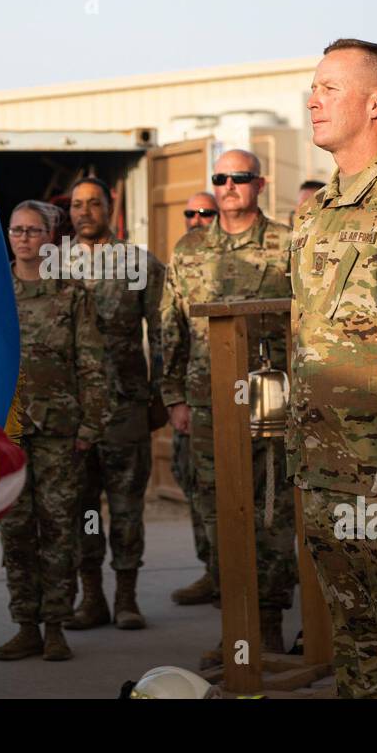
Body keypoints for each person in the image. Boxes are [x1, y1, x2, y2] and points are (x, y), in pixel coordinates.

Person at [288, 39, 377, 698]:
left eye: (330, 87)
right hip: (322, 467)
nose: (313, 98)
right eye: (312, 86)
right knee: (356, 645)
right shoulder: (312, 213)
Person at [160, 149, 297, 656]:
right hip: (207, 401)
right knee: (218, 512)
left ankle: (270, 623)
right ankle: (235, 626)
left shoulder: (287, 243)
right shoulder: (190, 249)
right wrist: (173, 396)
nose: (229, 185)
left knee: (272, 513)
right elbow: (169, 327)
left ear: (259, 183)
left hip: (273, 403)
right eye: (221, 178)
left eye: (240, 177)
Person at [0, 200, 108, 662]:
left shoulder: (71, 293)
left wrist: (90, 423)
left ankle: (57, 626)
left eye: (32, 231)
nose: (23, 239)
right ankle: (26, 624)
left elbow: (93, 363)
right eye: (17, 231)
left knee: (59, 529)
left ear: (49, 237)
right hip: (8, 432)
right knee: (16, 531)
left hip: (61, 431)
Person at [63, 177, 165, 631]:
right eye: (77, 205)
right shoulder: (53, 267)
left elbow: (163, 334)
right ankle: (92, 599)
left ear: (110, 208)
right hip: (72, 411)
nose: (85, 212)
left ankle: (127, 599)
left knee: (126, 509)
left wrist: (163, 395)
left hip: (125, 404)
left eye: (94, 204)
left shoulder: (138, 263)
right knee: (83, 509)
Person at [169, 190, 219, 605]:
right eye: (191, 212)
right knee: (199, 489)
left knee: (260, 499)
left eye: (206, 212)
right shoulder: (182, 256)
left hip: (254, 402)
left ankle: (262, 594)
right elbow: (172, 331)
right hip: (197, 399)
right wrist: (173, 399)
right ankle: (213, 570)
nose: (198, 218)